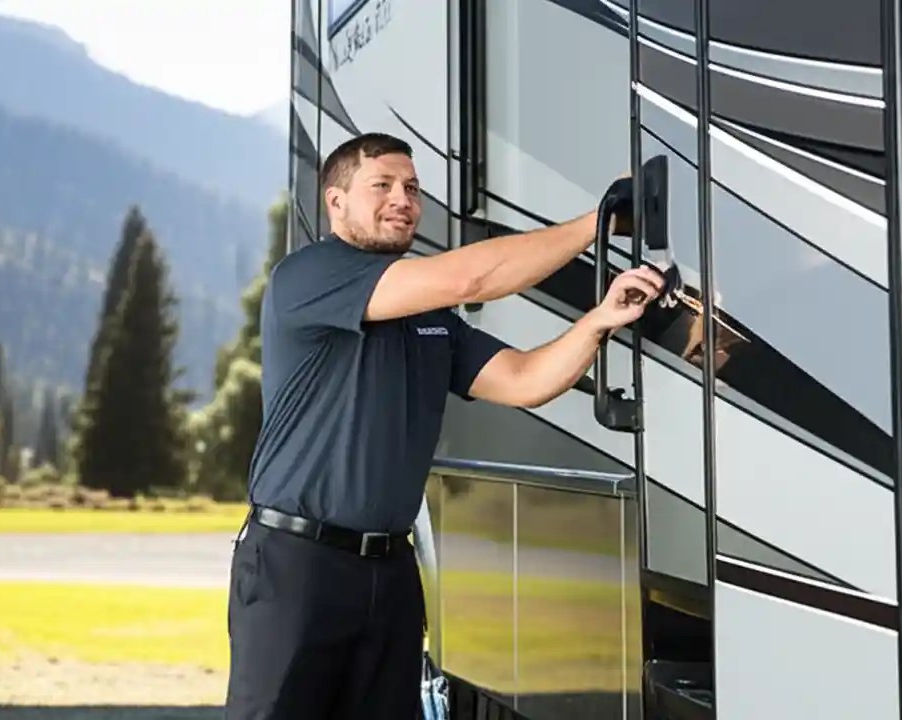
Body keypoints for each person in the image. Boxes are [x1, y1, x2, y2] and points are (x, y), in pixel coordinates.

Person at [223, 132, 663, 719]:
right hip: (298, 566)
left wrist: (600, 321)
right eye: (381, 185)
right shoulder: (309, 276)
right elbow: (470, 280)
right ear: (335, 202)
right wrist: (598, 224)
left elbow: (524, 379)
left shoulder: (429, 321)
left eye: (411, 188)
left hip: (390, 573)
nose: (402, 199)